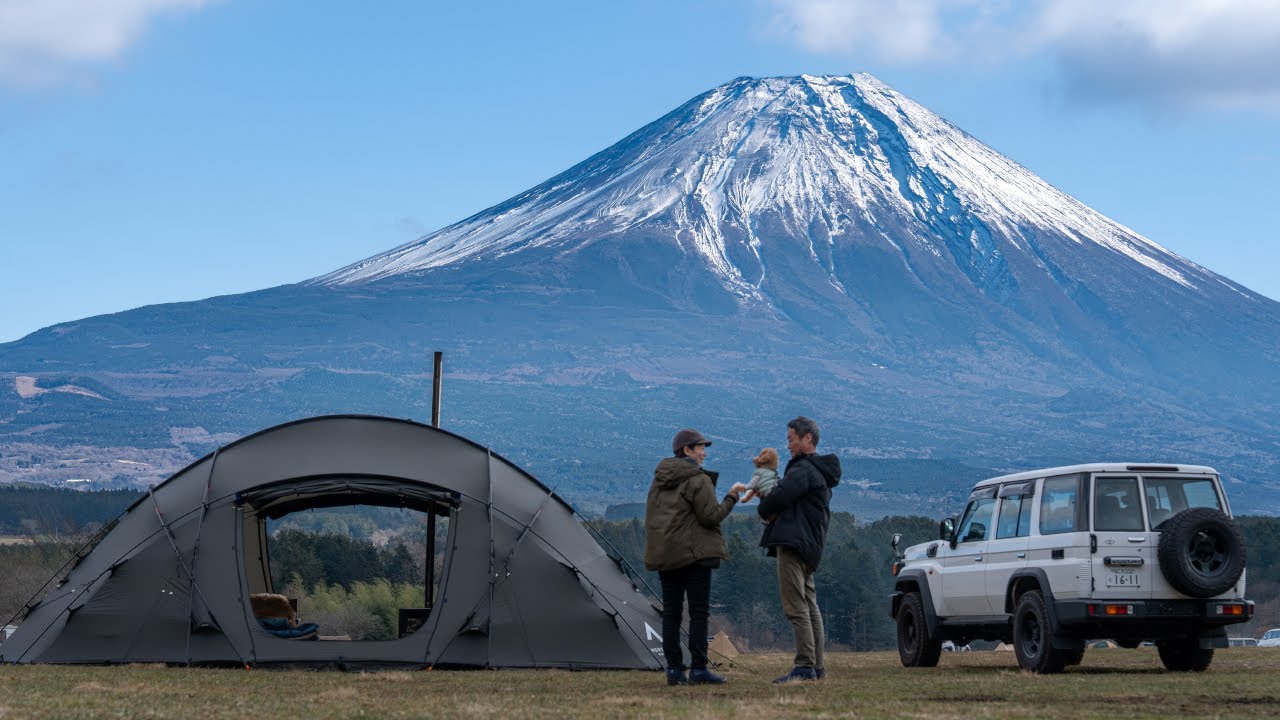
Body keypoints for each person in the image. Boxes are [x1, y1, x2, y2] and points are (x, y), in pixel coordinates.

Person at [644, 428, 747, 686]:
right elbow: (710, 516)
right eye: (700, 448)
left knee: (671, 612)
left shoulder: (660, 479)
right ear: (687, 450)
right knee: (699, 612)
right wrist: (732, 497)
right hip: (694, 555)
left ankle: (674, 670)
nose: (704, 453)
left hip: (667, 554)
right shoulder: (697, 479)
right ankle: (699, 669)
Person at [757, 416, 842, 683]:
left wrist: (764, 507)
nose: (788, 445)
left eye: (791, 439)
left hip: (794, 543)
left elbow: (778, 497)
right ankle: (816, 666)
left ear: (808, 439)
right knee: (809, 604)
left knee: (796, 606)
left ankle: (804, 666)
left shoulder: (803, 470)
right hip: (809, 545)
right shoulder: (819, 472)